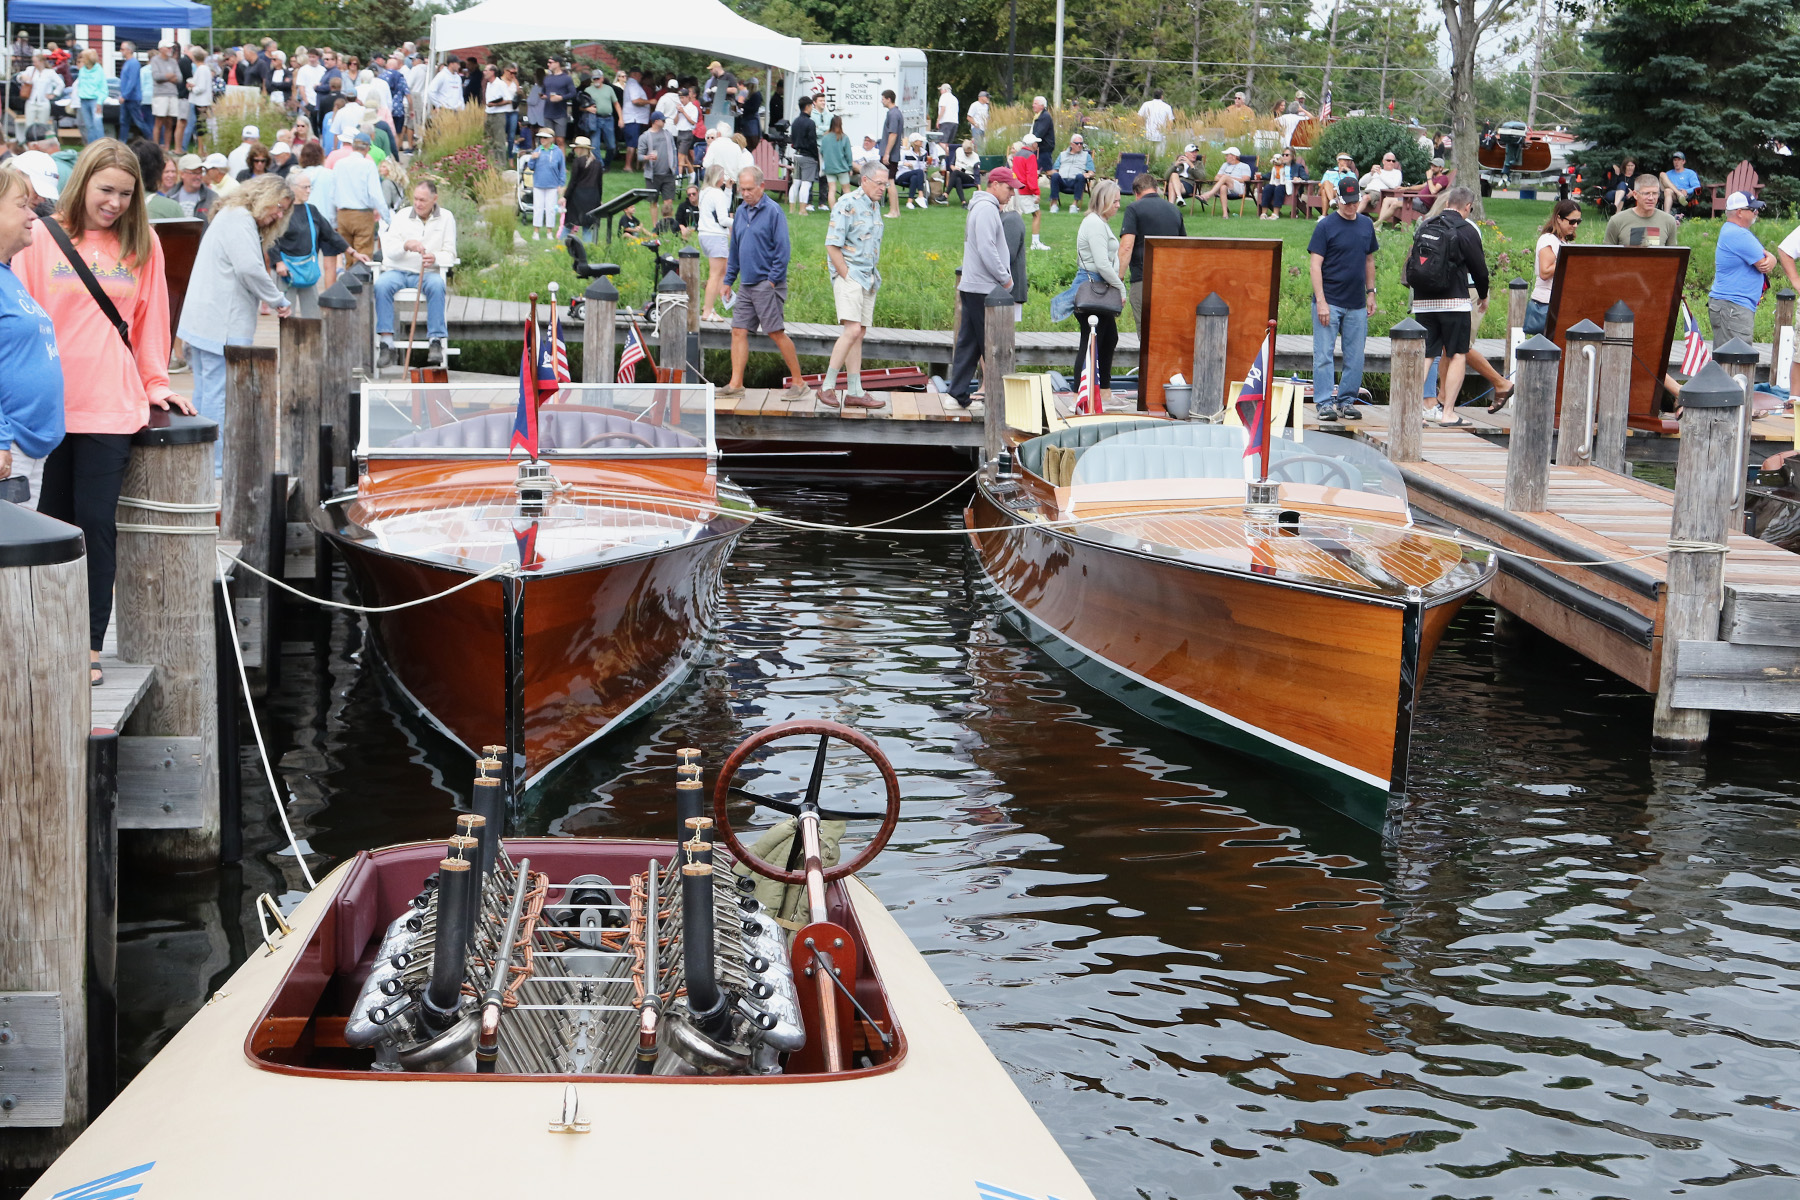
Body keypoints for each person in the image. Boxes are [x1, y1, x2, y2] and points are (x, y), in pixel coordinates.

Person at [15, 139, 182, 683]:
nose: (113, 202)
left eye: (125, 194)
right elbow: (22, 321)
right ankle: (49, 632)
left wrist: (156, 382)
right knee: (50, 520)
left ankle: (87, 644)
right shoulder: (39, 237)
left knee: (95, 524)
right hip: (52, 402)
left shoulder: (143, 242)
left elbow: (151, 320)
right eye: (105, 190)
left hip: (110, 402)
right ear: (83, 181)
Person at [178, 174, 293, 470]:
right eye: (278, 207)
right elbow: (250, 269)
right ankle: (216, 464)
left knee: (204, 390)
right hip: (221, 321)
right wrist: (279, 299)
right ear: (264, 197)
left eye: (283, 211)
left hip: (203, 317)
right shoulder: (240, 219)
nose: (278, 215)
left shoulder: (228, 214)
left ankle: (202, 456)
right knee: (219, 393)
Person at [719, 165, 811, 402]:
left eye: (750, 188)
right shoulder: (739, 212)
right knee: (738, 331)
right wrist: (728, 280)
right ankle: (735, 384)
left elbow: (783, 250)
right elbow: (735, 249)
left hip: (767, 284)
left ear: (762, 186)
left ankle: (799, 383)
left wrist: (772, 281)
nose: (745, 193)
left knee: (775, 332)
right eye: (742, 189)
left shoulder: (774, 211)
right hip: (746, 284)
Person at [0, 166, 62, 507]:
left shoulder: (8, 274)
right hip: (9, 448)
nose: (33, 214)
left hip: (25, 449)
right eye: (21, 204)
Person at [1408, 186, 1488, 427]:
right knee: (1456, 354)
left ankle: (1410, 410)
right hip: (1454, 302)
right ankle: (1448, 413)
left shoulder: (1426, 225)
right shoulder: (1466, 229)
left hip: (1423, 302)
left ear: (1446, 203)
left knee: (1426, 355)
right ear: (1467, 207)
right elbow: (1479, 269)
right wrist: (1483, 295)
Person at [942, 167, 1017, 409]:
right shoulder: (986, 209)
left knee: (971, 342)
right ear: (994, 184)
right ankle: (1002, 400)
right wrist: (1004, 277)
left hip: (975, 285)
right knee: (993, 345)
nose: (1012, 193)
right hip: (983, 287)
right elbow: (987, 248)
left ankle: (957, 394)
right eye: (1009, 188)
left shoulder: (982, 207)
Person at [1307, 178, 1378, 422]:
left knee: (1356, 355)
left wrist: (1371, 293)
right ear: (1338, 199)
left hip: (1357, 302)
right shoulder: (1326, 226)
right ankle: (1324, 402)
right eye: (1347, 202)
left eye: (1354, 202)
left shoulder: (1366, 225)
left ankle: (1347, 400)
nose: (1351, 207)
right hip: (1330, 300)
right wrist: (1321, 301)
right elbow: (1315, 265)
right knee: (1324, 354)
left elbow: (1369, 260)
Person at [820, 163, 888, 409]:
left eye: (886, 184)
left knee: (859, 334)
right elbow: (831, 244)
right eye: (879, 183)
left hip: (868, 278)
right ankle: (827, 386)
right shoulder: (847, 203)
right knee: (851, 330)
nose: (883, 188)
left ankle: (855, 390)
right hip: (850, 276)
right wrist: (846, 275)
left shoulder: (874, 205)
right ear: (865, 180)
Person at [375, 180, 458, 368]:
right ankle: (386, 343)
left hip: (427, 272)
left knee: (437, 285)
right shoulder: (402, 216)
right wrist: (406, 245)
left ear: (434, 199)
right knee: (381, 285)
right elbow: (390, 251)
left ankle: (435, 341)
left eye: (423, 200)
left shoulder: (446, 218)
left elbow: (450, 254)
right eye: (416, 199)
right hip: (398, 270)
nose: (418, 204)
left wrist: (435, 258)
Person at [1061, 179, 1124, 407]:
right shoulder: (1095, 224)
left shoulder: (1100, 222)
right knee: (1090, 342)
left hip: (1100, 289)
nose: (1118, 205)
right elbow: (1101, 264)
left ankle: (1104, 392)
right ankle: (1081, 395)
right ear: (1104, 201)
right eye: (1115, 201)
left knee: (1108, 338)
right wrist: (1120, 288)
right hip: (1094, 289)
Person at [269, 169, 351, 316]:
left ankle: (312, 339)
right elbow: (271, 238)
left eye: (310, 187)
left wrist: (351, 250)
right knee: (288, 313)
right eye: (305, 187)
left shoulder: (311, 210)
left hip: (307, 267)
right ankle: (289, 339)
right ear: (292, 188)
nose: (309, 190)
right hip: (287, 268)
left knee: (313, 313)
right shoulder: (282, 210)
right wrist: (278, 262)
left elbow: (329, 233)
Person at [1118, 170, 1186, 330]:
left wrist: (1119, 277)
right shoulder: (1174, 210)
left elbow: (1127, 246)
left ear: (1136, 192)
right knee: (1166, 331)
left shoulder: (1134, 209)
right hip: (1171, 281)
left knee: (1147, 334)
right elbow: (1184, 246)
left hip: (1144, 280)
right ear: (1156, 189)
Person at [1710, 191, 1773, 349]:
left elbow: (1764, 259)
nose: (1756, 213)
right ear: (1739, 212)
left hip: (1730, 306)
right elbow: (1764, 264)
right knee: (1737, 360)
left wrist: (1772, 258)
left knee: (1728, 360)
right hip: (1733, 308)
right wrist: (1773, 258)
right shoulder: (1738, 234)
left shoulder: (1732, 231)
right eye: (1752, 210)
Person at [1527, 199, 1581, 336]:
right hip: (1546, 303)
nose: (1575, 226)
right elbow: (1544, 272)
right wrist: (1569, 260)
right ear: (1559, 218)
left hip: (1559, 302)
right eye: (1572, 221)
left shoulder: (1562, 241)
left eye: (1578, 222)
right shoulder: (1548, 239)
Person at [332, 131, 387, 257]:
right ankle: (360, 277)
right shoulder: (368, 165)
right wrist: (387, 218)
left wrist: (334, 218)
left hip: (343, 214)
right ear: (367, 148)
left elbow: (332, 193)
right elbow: (375, 194)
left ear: (352, 146)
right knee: (363, 254)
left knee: (348, 254)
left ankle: (348, 275)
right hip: (362, 214)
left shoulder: (339, 164)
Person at [696, 163, 732, 321]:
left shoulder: (704, 192)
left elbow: (723, 207)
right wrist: (740, 222)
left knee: (722, 272)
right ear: (718, 177)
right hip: (716, 235)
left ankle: (710, 308)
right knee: (715, 275)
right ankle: (707, 310)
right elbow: (723, 219)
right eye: (723, 175)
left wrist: (729, 190)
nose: (724, 178)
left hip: (705, 234)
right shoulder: (717, 193)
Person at [1605, 174, 1678, 247]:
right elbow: (1606, 254)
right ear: (1635, 195)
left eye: (1655, 193)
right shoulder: (1617, 220)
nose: (1651, 198)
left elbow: (1673, 255)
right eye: (1646, 193)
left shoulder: (1669, 221)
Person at [522, 127, 565, 239]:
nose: (542, 140)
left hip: (552, 185)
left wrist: (561, 184)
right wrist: (532, 158)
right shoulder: (537, 150)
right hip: (539, 184)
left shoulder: (557, 152)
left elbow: (562, 169)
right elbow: (531, 167)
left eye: (545, 138)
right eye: (541, 137)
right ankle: (536, 232)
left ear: (551, 139)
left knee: (551, 209)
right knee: (538, 208)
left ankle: (549, 232)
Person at [638, 110, 677, 221]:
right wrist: (647, 157)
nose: (664, 122)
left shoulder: (668, 134)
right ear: (655, 121)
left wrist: (674, 167)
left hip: (668, 173)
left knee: (668, 201)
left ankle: (667, 224)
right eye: (663, 120)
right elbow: (639, 156)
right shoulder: (645, 136)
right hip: (653, 175)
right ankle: (656, 227)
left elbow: (674, 151)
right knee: (653, 202)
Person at [565, 137, 604, 240]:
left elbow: (573, 182)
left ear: (580, 148)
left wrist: (565, 196)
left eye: (576, 148)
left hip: (577, 197)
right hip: (593, 197)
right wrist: (599, 199)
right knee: (588, 226)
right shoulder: (598, 164)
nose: (574, 150)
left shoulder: (577, 162)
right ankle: (587, 249)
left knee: (570, 223)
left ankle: (561, 245)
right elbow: (599, 184)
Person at [1011, 137, 1046, 250]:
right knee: (1037, 214)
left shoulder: (1018, 154)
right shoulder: (1031, 156)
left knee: (1016, 214)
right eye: (1036, 142)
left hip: (1017, 187)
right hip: (1026, 190)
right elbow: (1031, 176)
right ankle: (1035, 243)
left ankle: (1013, 240)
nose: (1037, 145)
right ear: (1032, 144)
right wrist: (1036, 192)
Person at [1195, 145, 1252, 215]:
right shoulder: (1225, 165)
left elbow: (1245, 179)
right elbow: (1216, 177)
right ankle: (1225, 214)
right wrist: (1225, 179)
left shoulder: (1244, 166)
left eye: (1227, 155)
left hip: (1239, 187)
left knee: (1225, 177)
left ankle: (1208, 195)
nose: (1226, 157)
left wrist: (1228, 178)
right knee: (1223, 187)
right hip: (1226, 187)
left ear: (1234, 157)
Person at [14, 124, 63, 204]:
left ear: (34, 147)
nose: (42, 199)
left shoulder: (52, 169)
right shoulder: (70, 163)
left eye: (26, 146)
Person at [1046, 133, 1095, 214]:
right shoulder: (1062, 154)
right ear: (1071, 144)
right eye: (1077, 143)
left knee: (1080, 176)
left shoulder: (1086, 156)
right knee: (1055, 176)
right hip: (1062, 181)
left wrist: (1088, 175)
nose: (1079, 145)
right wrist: (1049, 172)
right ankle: (1054, 205)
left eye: (1081, 143)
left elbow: (1092, 172)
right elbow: (1056, 169)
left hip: (1076, 182)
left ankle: (1074, 205)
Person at [789, 94, 819, 214]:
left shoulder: (795, 122)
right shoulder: (810, 123)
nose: (812, 108)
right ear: (807, 106)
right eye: (811, 106)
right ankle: (802, 209)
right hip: (808, 156)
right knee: (806, 184)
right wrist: (816, 156)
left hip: (797, 155)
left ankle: (792, 209)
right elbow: (812, 142)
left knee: (795, 183)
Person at [149, 43, 181, 149]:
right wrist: (170, 75)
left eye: (171, 47)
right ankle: (156, 146)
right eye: (168, 47)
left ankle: (167, 147)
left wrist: (165, 77)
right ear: (161, 48)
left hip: (172, 94)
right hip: (160, 95)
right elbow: (156, 76)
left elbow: (179, 78)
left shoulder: (173, 61)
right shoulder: (155, 60)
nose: (170, 49)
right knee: (159, 120)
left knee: (169, 121)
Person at [164, 151, 214, 219]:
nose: (199, 177)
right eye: (194, 173)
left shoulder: (212, 198)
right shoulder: (170, 197)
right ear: (182, 174)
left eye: (200, 172)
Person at [485, 61, 518, 163]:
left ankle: (502, 163)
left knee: (500, 141)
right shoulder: (488, 84)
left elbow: (508, 100)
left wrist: (494, 104)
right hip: (489, 113)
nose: (484, 72)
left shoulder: (500, 84)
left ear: (492, 72)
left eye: (486, 70)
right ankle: (491, 162)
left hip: (499, 114)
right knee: (489, 140)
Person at [879, 88, 904, 216]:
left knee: (890, 181)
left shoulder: (893, 114)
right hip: (892, 153)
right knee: (890, 180)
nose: (881, 101)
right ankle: (896, 210)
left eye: (883, 99)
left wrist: (887, 153)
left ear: (889, 99)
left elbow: (893, 134)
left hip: (891, 154)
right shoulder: (896, 113)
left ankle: (893, 210)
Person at [116, 43, 147, 143]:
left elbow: (132, 81)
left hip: (133, 98)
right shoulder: (127, 62)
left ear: (129, 50)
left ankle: (152, 140)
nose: (121, 51)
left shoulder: (134, 63)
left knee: (139, 122)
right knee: (124, 122)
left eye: (122, 49)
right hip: (126, 98)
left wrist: (124, 95)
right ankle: (122, 143)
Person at [185, 48, 214, 151]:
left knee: (201, 127)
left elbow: (201, 87)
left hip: (201, 102)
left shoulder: (202, 69)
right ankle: (202, 149)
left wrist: (191, 87)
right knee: (201, 126)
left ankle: (202, 150)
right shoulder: (204, 69)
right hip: (201, 101)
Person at [1359, 152, 1403, 222]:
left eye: (1393, 161)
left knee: (1365, 198)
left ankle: (1353, 219)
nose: (1391, 162)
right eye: (1388, 160)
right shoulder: (1376, 171)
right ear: (1383, 161)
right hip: (1367, 191)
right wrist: (1371, 173)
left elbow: (1394, 185)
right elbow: (1361, 184)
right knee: (1353, 196)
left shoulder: (1397, 173)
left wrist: (1380, 174)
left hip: (1380, 193)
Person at [820, 114, 853, 207]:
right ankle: (848, 209)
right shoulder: (844, 137)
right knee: (846, 190)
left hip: (829, 168)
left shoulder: (825, 137)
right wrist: (850, 167)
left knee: (831, 190)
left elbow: (822, 151)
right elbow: (848, 154)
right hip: (842, 168)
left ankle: (833, 211)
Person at [622, 68, 651, 171]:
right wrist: (650, 102)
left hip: (635, 118)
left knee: (633, 143)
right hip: (633, 118)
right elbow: (636, 100)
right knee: (632, 143)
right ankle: (628, 166)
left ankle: (630, 165)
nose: (641, 78)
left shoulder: (632, 84)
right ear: (634, 74)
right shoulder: (633, 84)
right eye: (640, 75)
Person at [541, 57, 574, 147]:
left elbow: (573, 93)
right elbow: (543, 92)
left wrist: (561, 97)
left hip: (560, 114)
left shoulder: (566, 78)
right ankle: (549, 160)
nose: (548, 64)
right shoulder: (547, 78)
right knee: (548, 140)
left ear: (557, 63)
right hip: (547, 113)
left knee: (560, 140)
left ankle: (561, 161)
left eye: (550, 62)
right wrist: (543, 96)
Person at [895, 133, 930, 210]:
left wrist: (926, 165)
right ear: (914, 142)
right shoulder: (905, 151)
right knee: (919, 172)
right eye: (920, 141)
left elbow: (922, 167)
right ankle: (920, 195)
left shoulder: (923, 152)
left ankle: (909, 202)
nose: (922, 142)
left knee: (914, 177)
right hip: (903, 174)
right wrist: (905, 163)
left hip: (915, 174)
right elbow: (897, 163)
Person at [1258, 148, 1294, 218]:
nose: (1284, 157)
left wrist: (1298, 178)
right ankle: (1264, 213)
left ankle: (1275, 214)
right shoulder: (1277, 167)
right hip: (1277, 184)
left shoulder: (1296, 167)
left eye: (1287, 155)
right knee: (1267, 187)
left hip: (1290, 186)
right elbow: (1269, 175)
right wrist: (1260, 177)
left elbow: (1304, 176)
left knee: (1279, 188)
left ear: (1292, 157)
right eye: (1283, 155)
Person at [1138, 88, 1173, 154]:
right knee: (1159, 155)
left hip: (1148, 133)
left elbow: (1139, 117)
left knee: (1147, 154)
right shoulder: (1167, 107)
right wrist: (1168, 131)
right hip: (1161, 135)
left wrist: (1142, 127)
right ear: (1162, 96)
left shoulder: (1146, 104)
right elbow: (1170, 122)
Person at [703, 61, 736, 127]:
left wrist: (720, 89)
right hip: (714, 106)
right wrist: (709, 92)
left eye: (711, 69)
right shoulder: (714, 79)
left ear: (716, 68)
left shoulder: (728, 76)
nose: (710, 72)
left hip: (726, 106)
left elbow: (734, 90)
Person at [948, 138, 980, 207]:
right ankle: (964, 203)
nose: (968, 154)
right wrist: (954, 168)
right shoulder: (958, 151)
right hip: (957, 174)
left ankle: (945, 194)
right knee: (957, 179)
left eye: (970, 152)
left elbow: (977, 174)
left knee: (956, 173)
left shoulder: (975, 157)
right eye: (966, 153)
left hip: (969, 176)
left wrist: (979, 189)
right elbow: (951, 164)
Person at [1030, 95, 1054, 176]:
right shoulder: (1039, 116)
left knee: (1048, 171)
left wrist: (1033, 141)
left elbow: (1039, 132)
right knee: (1038, 170)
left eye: (1035, 103)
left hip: (1043, 149)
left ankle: (1060, 178)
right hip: (1039, 149)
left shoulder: (1045, 116)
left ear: (1042, 106)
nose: (1033, 105)